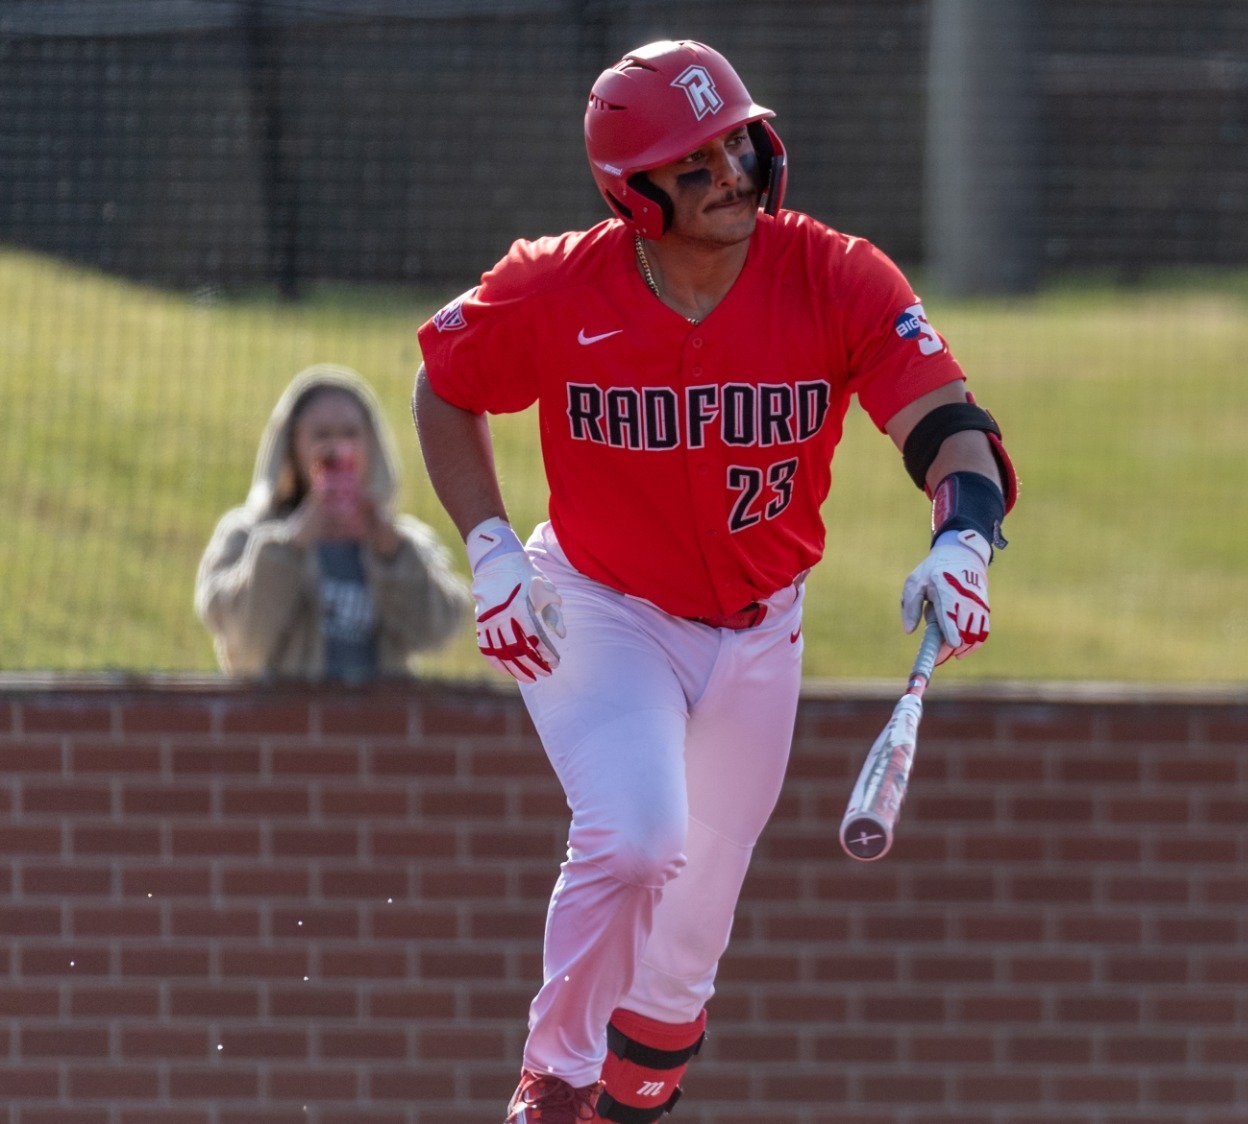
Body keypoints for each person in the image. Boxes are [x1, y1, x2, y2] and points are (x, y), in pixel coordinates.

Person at [410, 40, 1017, 1124]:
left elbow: (946, 424)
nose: (731, 170)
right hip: (596, 606)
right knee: (638, 834)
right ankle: (550, 1081)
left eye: (736, 140)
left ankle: (618, 1108)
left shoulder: (833, 273)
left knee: (683, 959)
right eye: (693, 163)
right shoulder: (556, 283)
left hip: (756, 632)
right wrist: (491, 546)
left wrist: (963, 535)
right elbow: (442, 383)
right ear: (632, 194)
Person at [196, 363, 471, 682]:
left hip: (379, 726)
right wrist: (289, 547)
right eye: (321, 435)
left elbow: (436, 632)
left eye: (351, 434)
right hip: (283, 726)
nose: (338, 449)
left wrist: (392, 552)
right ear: (290, 443)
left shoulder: (403, 540)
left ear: (371, 443)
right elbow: (244, 643)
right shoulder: (245, 535)